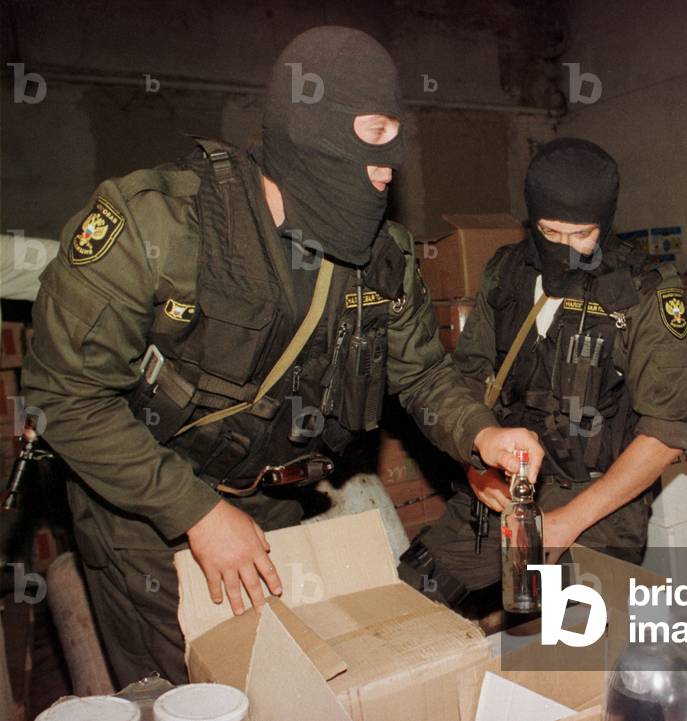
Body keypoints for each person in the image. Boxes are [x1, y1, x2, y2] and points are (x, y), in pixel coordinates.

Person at [21, 26, 544, 685]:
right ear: (314, 130)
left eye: (395, 131)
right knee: (183, 692)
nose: (392, 160)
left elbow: (421, 372)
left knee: (280, 684)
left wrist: (481, 431)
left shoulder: (382, 259)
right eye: (374, 132)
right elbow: (64, 395)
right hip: (143, 510)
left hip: (274, 505)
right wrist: (197, 513)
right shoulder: (157, 227)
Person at [398, 138, 687, 608]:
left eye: (582, 235)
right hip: (503, 490)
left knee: (557, 653)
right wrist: (475, 465)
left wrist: (566, 522)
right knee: (412, 597)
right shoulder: (507, 272)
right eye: (550, 232)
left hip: (598, 502)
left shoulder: (647, 292)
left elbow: (666, 435)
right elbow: (467, 378)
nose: (565, 247)